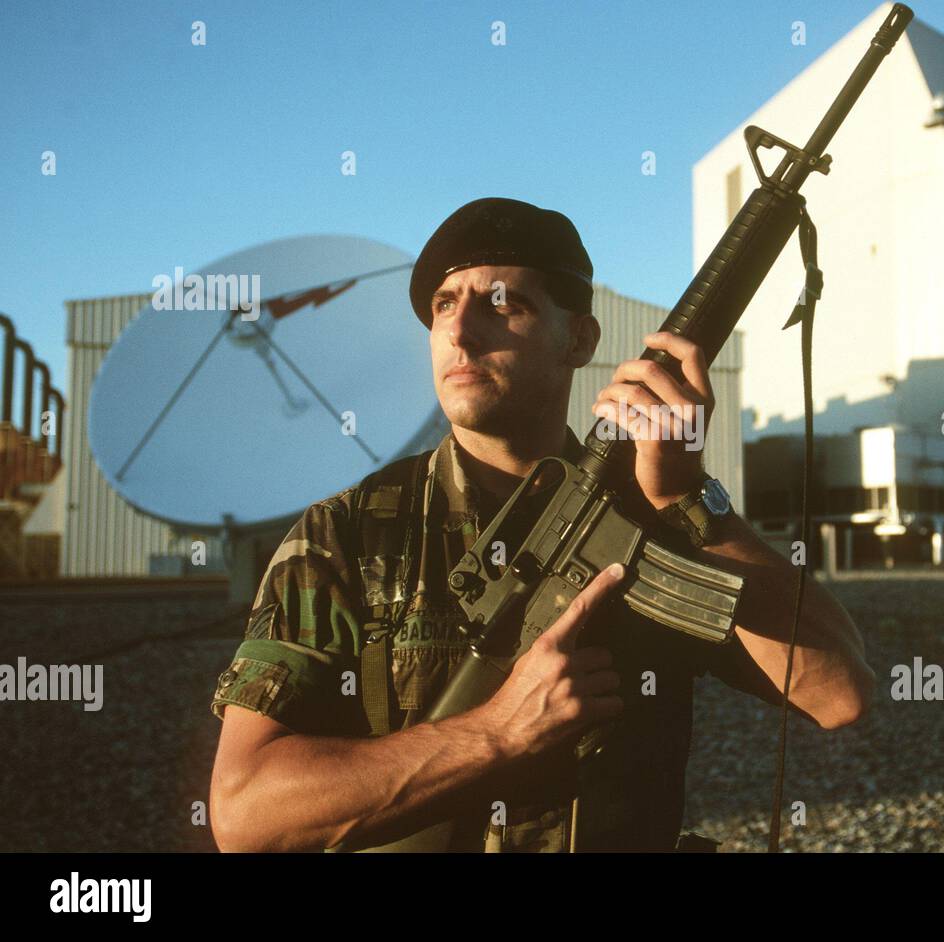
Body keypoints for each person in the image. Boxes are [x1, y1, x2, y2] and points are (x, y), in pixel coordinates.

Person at [208, 197, 874, 852]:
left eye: (502, 304)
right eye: (444, 306)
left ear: (578, 340)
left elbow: (837, 691)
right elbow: (245, 812)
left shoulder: (656, 519)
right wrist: (497, 733)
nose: (460, 332)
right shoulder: (348, 534)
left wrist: (687, 496)